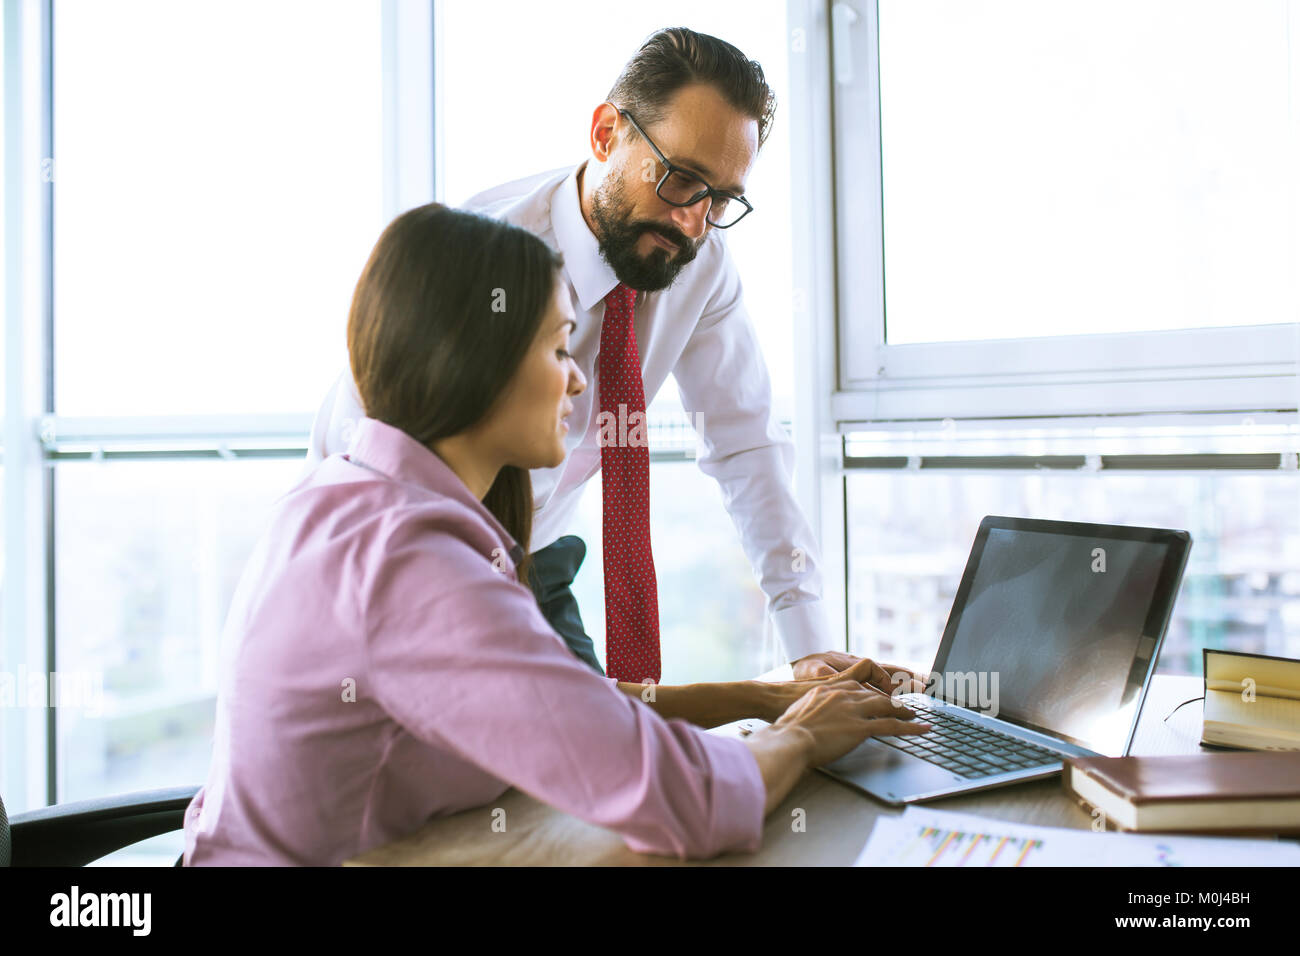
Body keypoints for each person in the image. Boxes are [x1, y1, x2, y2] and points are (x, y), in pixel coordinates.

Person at [182, 204, 930, 865]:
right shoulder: (412, 565)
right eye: (559, 347)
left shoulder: (354, 497)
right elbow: (687, 803)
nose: (578, 381)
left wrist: (765, 698)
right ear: (478, 360)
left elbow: (561, 706)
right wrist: (799, 738)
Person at [305, 27, 860, 685]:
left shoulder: (703, 263)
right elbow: (363, 443)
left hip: (538, 553)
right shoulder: (488, 253)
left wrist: (809, 642)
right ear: (605, 135)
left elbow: (745, 442)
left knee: (609, 760)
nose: (694, 224)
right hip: (415, 563)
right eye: (681, 180)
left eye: (721, 199)